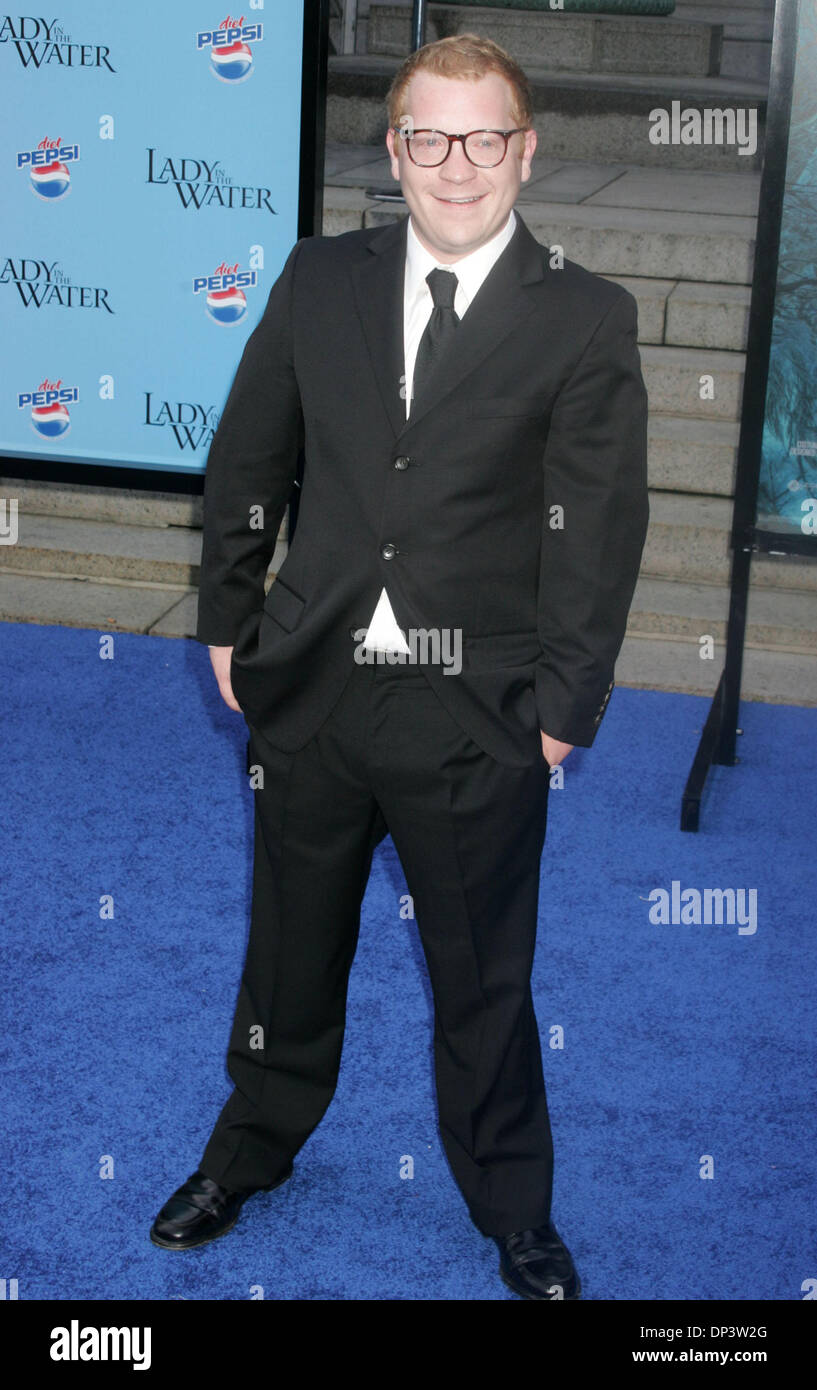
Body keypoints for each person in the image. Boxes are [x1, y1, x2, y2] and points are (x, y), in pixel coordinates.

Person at [150, 33, 649, 1301]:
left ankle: (512, 1205)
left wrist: (561, 711)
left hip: (478, 712)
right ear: (395, 149)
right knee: (288, 947)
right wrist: (225, 619)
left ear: (525, 152)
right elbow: (248, 461)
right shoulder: (320, 280)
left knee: (482, 975)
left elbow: (598, 534)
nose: (458, 164)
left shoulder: (586, 319)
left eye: (486, 138)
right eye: (430, 136)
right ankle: (252, 1146)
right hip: (314, 684)